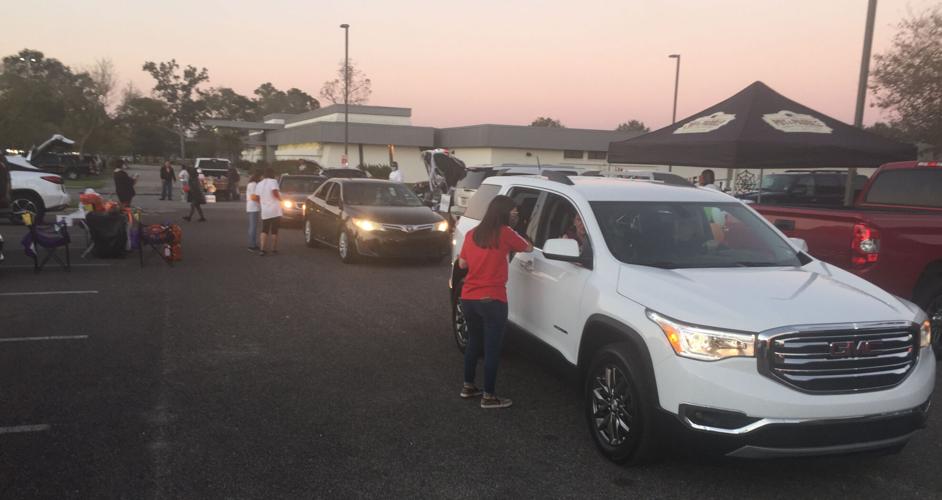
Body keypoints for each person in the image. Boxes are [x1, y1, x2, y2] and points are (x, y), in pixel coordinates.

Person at [458, 195, 533, 409]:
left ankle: (468, 386)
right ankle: (489, 396)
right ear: (503, 213)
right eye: (513, 212)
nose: (515, 215)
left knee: (474, 342)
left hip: (469, 297)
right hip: (492, 299)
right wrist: (523, 229)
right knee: (491, 349)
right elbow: (527, 248)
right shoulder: (506, 233)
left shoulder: (472, 234)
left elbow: (462, 264)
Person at [256, 167, 283, 256]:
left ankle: (262, 249)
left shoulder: (259, 184)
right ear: (272, 174)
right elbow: (274, 192)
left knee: (265, 229)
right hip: (275, 209)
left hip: (265, 209)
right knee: (274, 230)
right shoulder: (273, 181)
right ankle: (274, 249)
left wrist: (262, 202)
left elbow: (257, 197)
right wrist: (280, 199)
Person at [245, 170, 262, 252]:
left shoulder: (251, 184)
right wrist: (262, 201)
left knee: (253, 226)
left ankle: (253, 243)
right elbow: (253, 197)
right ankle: (252, 245)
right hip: (253, 207)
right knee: (253, 226)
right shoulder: (253, 185)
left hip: (252, 207)